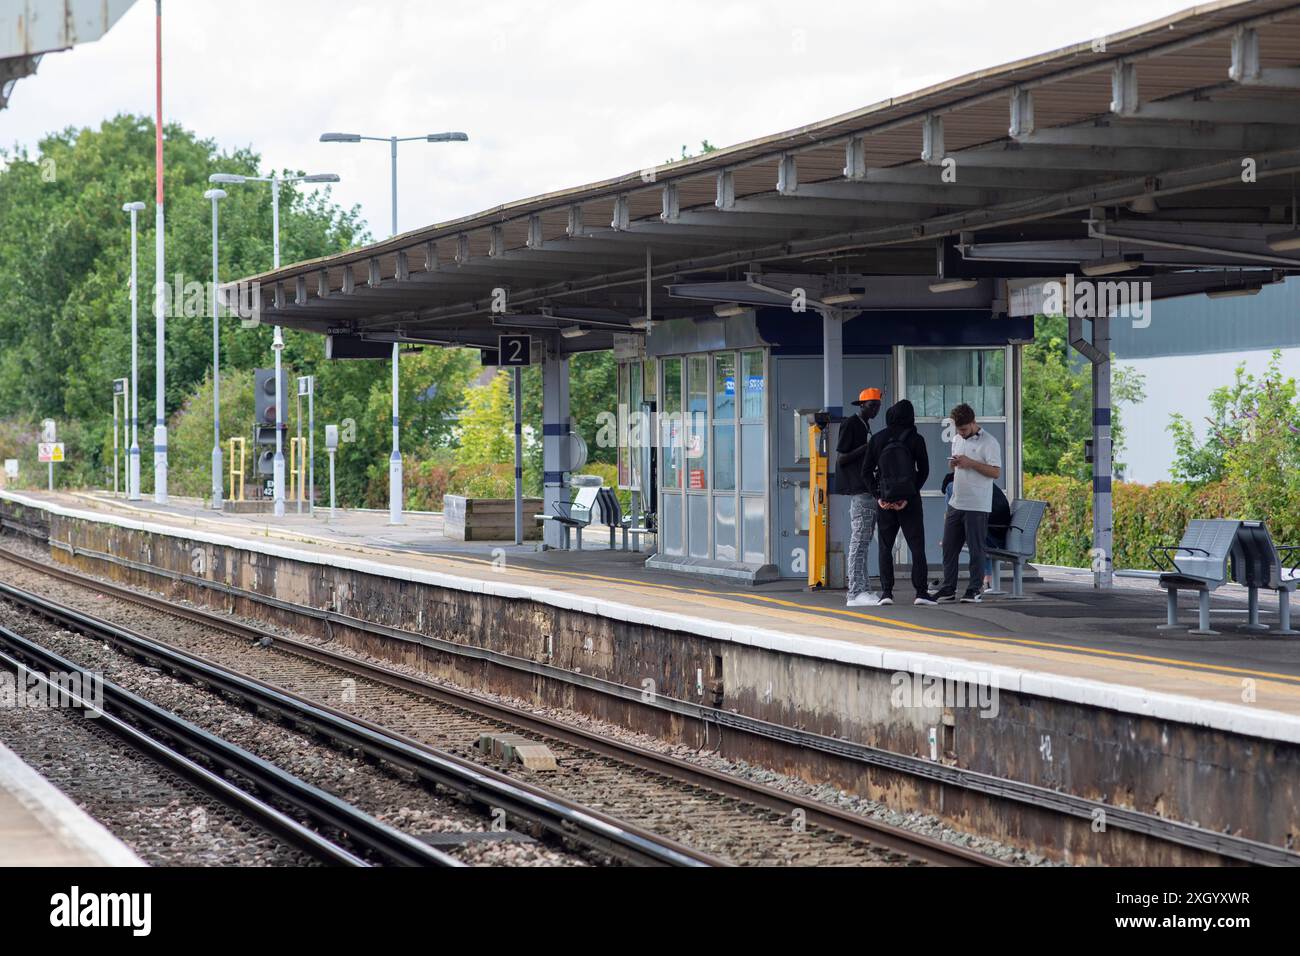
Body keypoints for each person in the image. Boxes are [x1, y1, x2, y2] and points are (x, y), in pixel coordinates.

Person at [862, 399, 936, 606]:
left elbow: (865, 472)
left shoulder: (877, 439)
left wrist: (879, 497)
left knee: (885, 548)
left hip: (884, 502)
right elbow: (924, 470)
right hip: (909, 503)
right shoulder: (916, 439)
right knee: (917, 547)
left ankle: (886, 593)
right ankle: (921, 592)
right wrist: (910, 494)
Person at [937, 403, 1002, 603]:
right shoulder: (957, 438)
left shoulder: (989, 442)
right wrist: (954, 463)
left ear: (974, 423)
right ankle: (948, 588)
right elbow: (958, 464)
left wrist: (971, 463)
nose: (961, 433)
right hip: (957, 501)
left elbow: (996, 472)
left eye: (964, 429)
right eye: (958, 429)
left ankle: (974, 589)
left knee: (976, 548)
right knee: (949, 546)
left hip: (977, 503)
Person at [836, 387, 883, 607]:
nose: (875, 409)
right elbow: (841, 458)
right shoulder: (850, 424)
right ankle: (854, 592)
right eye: (872, 405)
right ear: (862, 405)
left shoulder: (865, 425)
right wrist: (867, 448)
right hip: (858, 489)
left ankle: (863, 588)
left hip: (866, 488)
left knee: (863, 542)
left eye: (878, 405)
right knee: (859, 542)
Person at [942, 472, 1010, 589]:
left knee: (972, 538)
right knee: (978, 535)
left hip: (992, 533)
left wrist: (951, 535)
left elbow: (953, 513)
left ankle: (951, 585)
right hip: (998, 532)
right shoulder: (982, 486)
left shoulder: (953, 486)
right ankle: (987, 579)